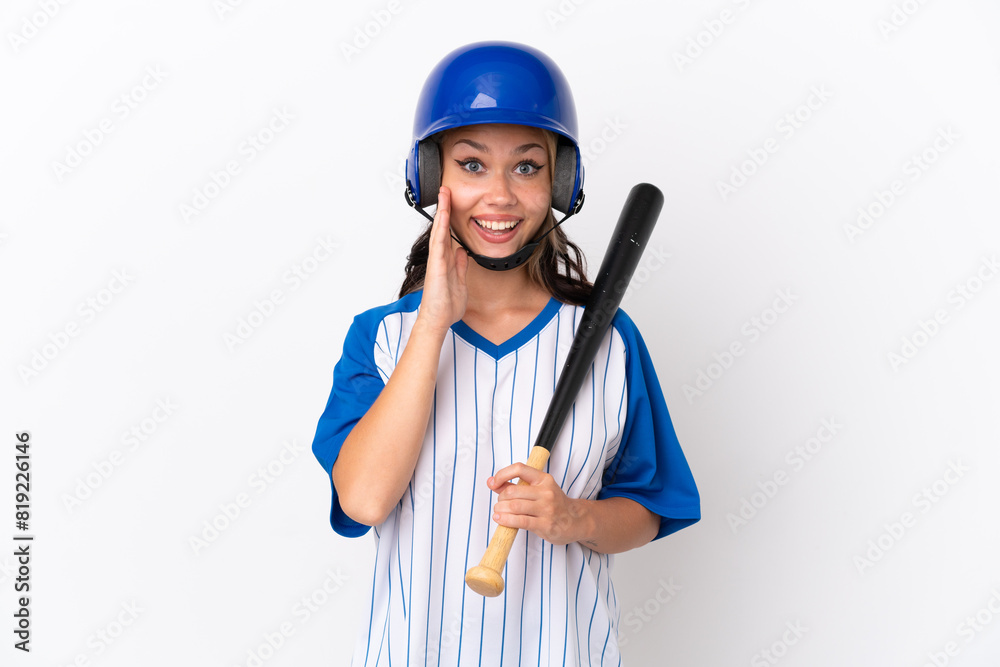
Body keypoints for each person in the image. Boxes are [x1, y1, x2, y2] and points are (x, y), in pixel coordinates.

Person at [311, 41, 700, 666]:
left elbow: (651, 507)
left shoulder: (608, 340)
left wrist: (574, 518)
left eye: (526, 167)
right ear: (432, 178)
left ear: (558, 182)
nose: (500, 195)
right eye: (471, 165)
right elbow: (364, 501)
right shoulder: (381, 336)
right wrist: (432, 323)